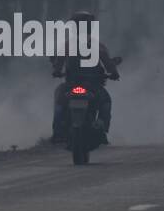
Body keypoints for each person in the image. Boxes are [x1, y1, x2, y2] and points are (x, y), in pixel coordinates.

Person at [50, 10, 120, 143]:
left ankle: (57, 133)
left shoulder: (67, 44)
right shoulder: (98, 45)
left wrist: (57, 71)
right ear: (90, 26)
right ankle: (101, 127)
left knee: (59, 101)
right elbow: (109, 65)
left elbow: (58, 64)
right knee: (106, 102)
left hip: (71, 85)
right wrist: (114, 73)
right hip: (93, 86)